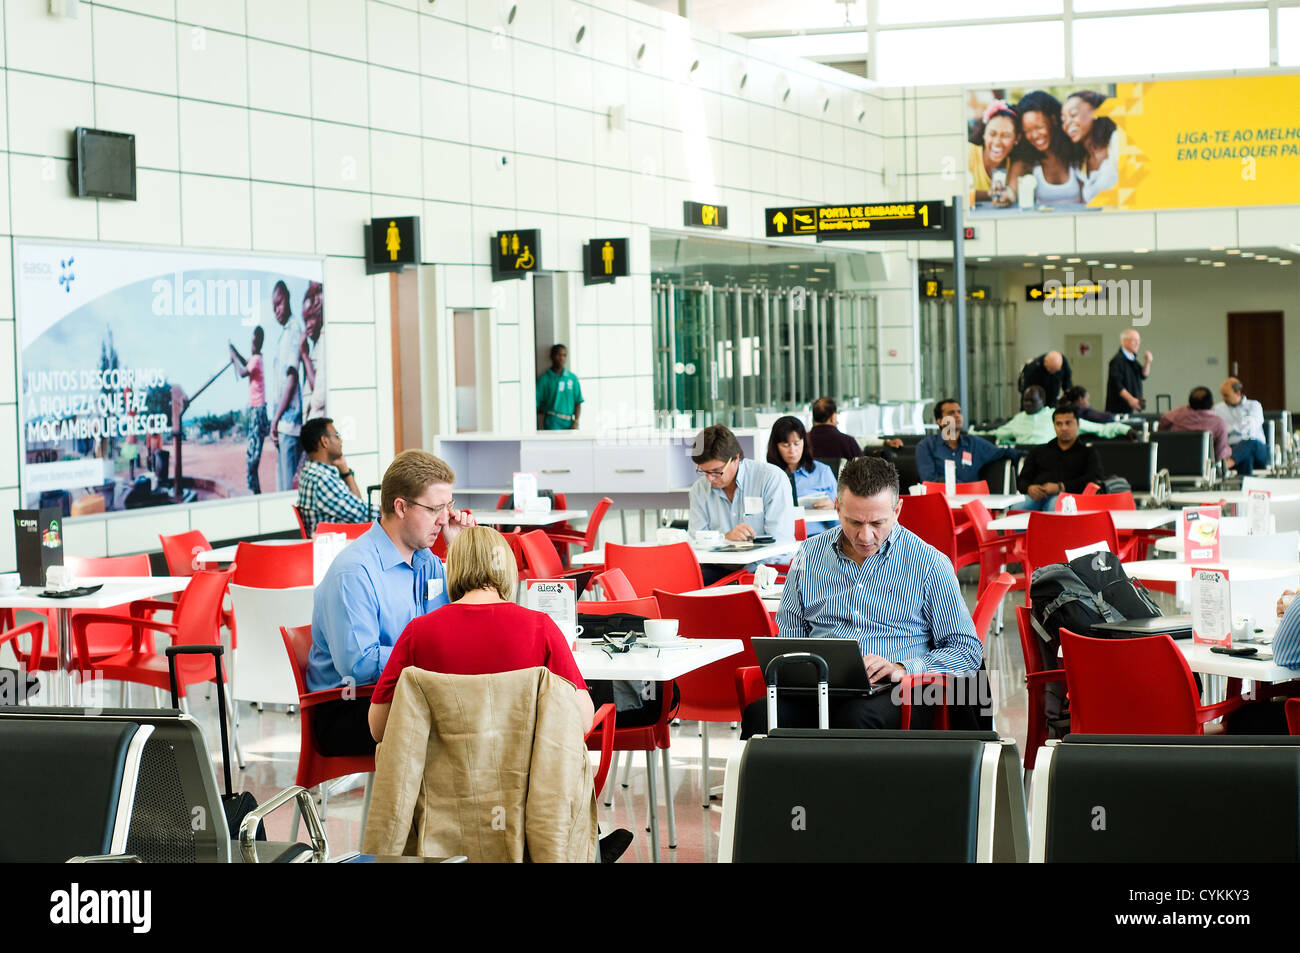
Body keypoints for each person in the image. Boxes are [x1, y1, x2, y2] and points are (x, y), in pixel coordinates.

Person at [742, 456, 982, 734]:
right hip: (820, 688)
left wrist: (903, 668)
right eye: (854, 522)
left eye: (877, 523)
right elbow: (790, 636)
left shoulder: (928, 563)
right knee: (760, 716)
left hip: (897, 692)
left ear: (897, 510)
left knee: (856, 720)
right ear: (837, 507)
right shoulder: (809, 555)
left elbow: (967, 650)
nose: (865, 536)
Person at [307, 450, 475, 756]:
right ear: (401, 507)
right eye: (435, 508)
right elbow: (358, 665)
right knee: (465, 724)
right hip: (348, 707)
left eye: (448, 506)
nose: (444, 519)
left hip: (406, 693)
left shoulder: (427, 561)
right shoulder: (354, 571)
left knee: (487, 710)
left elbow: (464, 626)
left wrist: (461, 549)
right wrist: (431, 654)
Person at [367, 526, 593, 743]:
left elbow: (379, 728)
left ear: (453, 568)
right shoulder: (540, 627)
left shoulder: (418, 631)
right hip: (525, 778)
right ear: (506, 568)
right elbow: (582, 720)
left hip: (441, 779)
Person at [688, 424, 794, 583]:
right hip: (719, 568)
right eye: (704, 471)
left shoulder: (771, 478)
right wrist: (725, 538)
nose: (710, 478)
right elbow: (695, 540)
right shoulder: (699, 489)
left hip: (767, 568)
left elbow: (779, 543)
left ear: (736, 458)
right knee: (682, 582)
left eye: (716, 471)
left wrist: (739, 576)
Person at [1015, 403, 1105, 511]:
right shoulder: (1039, 451)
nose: (1064, 428)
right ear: (1054, 426)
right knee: (1016, 508)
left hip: (1071, 499)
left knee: (1056, 506)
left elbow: (1094, 480)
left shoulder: (1088, 453)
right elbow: (1022, 480)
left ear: (1078, 424)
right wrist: (1029, 488)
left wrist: (1061, 487)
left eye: (1068, 423)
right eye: (1059, 424)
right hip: (1037, 496)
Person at [978, 386, 1133, 445]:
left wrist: (1125, 430)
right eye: (1025, 401)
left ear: (1043, 401)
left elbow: (1098, 428)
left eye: (1032, 401)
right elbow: (996, 433)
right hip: (1023, 467)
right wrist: (970, 433)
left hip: (1050, 466)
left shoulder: (1059, 418)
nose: (1027, 404)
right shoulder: (1018, 419)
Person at [296, 416, 373, 534]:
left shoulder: (309, 472)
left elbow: (356, 504)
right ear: (324, 441)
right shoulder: (322, 479)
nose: (341, 441)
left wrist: (345, 471)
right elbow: (363, 515)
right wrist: (393, 511)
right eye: (337, 436)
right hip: (338, 548)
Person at [915, 398, 1019, 484]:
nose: (957, 415)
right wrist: (961, 487)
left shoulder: (974, 443)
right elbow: (929, 481)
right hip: (942, 501)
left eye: (959, 412)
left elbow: (1002, 452)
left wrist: (1028, 457)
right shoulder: (926, 446)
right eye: (951, 413)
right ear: (940, 421)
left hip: (972, 501)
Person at [1007, 90, 1081, 208]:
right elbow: (1011, 191)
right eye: (1028, 131)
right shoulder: (1026, 161)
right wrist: (1005, 196)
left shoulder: (1076, 152)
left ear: (1053, 120)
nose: (1035, 135)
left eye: (1039, 127)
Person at [767, 416, 837, 533]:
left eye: (797, 443)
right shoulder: (769, 474)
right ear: (775, 446)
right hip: (780, 539)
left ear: (804, 442)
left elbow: (840, 519)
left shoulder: (822, 472)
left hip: (816, 537)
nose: (792, 451)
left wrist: (833, 507)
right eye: (785, 445)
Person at [268, 280, 305, 491]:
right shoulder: (283, 334)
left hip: (289, 425)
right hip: (281, 424)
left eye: (279, 304)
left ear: (288, 298)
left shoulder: (293, 330)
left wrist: (275, 420)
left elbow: (291, 380)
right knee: (282, 488)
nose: (276, 311)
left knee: (288, 491)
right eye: (273, 307)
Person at [228, 327, 268, 494]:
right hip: (255, 411)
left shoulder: (257, 358)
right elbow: (245, 362)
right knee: (251, 457)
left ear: (258, 343)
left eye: (254, 342)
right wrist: (234, 351)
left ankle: (256, 493)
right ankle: (255, 491)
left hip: (257, 412)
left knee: (252, 459)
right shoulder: (254, 358)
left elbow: (243, 371)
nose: (252, 345)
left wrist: (234, 358)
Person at [1063, 90, 1119, 205]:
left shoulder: (1117, 142)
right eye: (1063, 120)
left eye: (1073, 114)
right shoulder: (1080, 163)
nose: (1067, 123)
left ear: (1095, 112)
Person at [1160, 386, 1234, 466]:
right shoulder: (1220, 423)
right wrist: (1228, 451)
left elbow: (1163, 422)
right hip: (1205, 467)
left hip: (1175, 464)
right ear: (1212, 404)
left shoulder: (1179, 413)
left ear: (1190, 404)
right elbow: (1219, 455)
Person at [968, 100, 1020, 206]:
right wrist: (990, 194)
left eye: (1006, 135)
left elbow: (1011, 192)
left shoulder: (1015, 164)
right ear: (984, 134)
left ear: (1017, 139)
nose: (997, 142)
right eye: (992, 134)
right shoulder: (968, 153)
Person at [1214, 378, 1270, 476]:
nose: (1223, 398)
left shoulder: (1254, 406)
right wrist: (1236, 427)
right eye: (1222, 395)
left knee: (1250, 442)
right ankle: (1243, 486)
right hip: (1232, 449)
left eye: (1226, 395)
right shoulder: (1218, 409)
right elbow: (1218, 429)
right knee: (1246, 456)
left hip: (1258, 450)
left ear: (1238, 393)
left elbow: (1249, 429)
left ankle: (1228, 463)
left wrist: (1229, 428)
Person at [1105, 328, 1153, 414]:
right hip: (1119, 409)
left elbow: (1143, 375)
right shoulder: (1117, 361)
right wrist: (1131, 400)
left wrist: (1147, 362)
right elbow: (1117, 384)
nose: (1138, 343)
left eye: (1139, 340)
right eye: (1134, 340)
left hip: (1131, 408)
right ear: (1124, 341)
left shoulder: (1132, 359)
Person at [536, 344, 583, 430]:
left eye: (564, 355)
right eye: (558, 355)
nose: (561, 358)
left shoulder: (572, 378)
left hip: (569, 423)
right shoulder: (544, 379)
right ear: (552, 356)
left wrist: (576, 421)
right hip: (552, 422)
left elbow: (578, 402)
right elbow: (536, 403)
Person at [299, 280, 326, 422]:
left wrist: (304, 354)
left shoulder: (324, 343)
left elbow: (319, 394)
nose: (307, 325)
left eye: (311, 318)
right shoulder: (315, 346)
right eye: (305, 321)